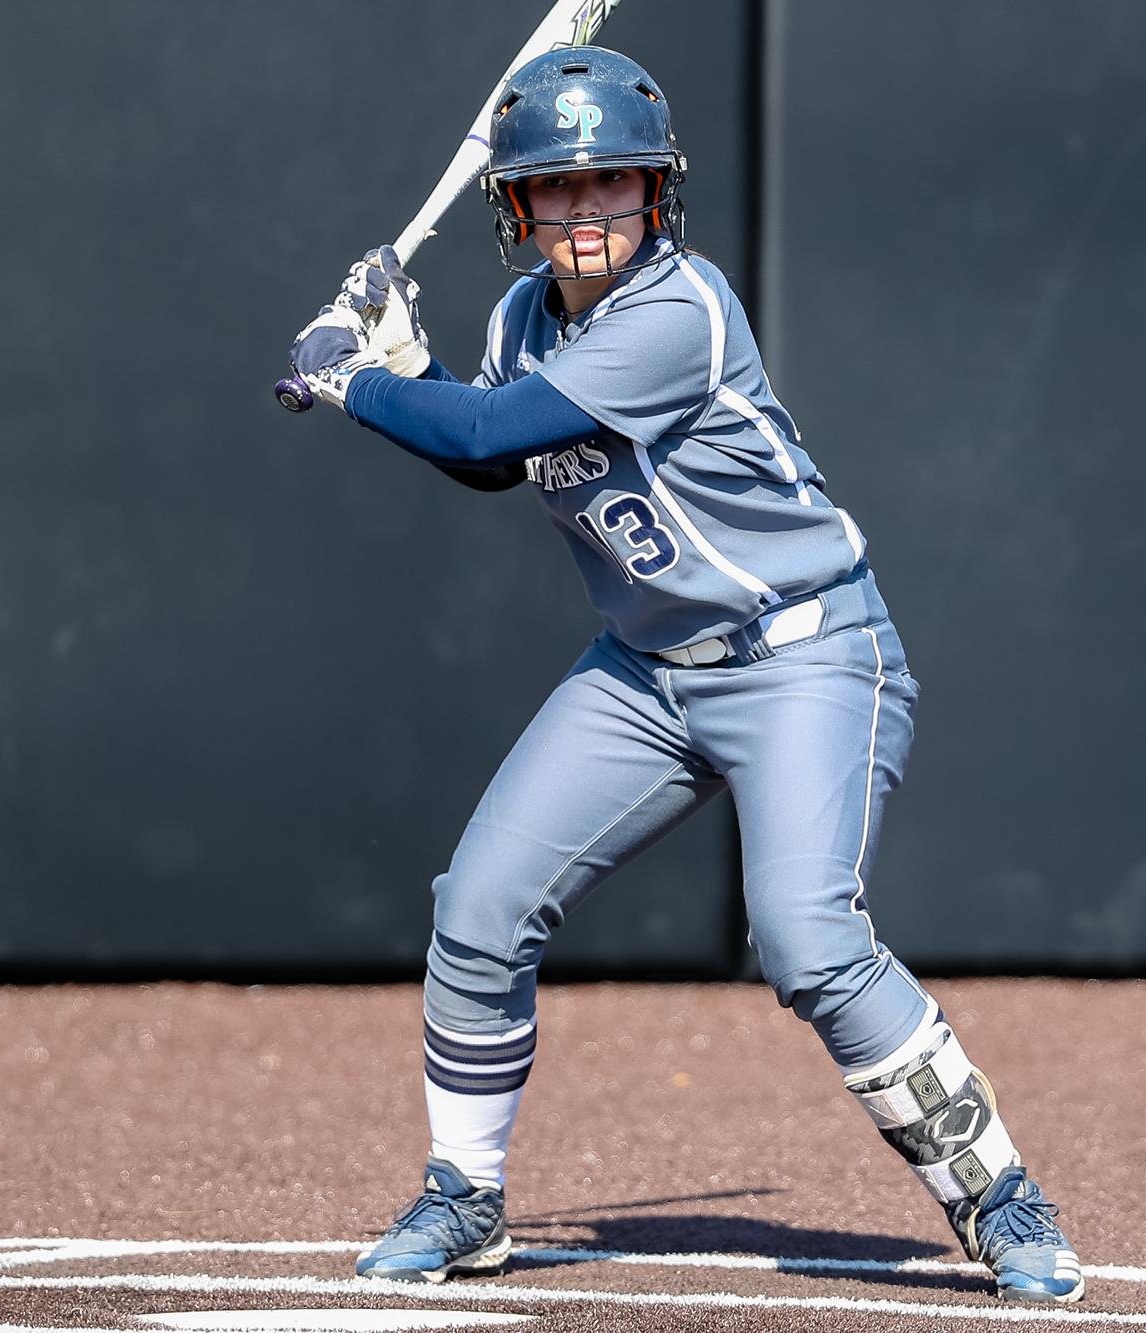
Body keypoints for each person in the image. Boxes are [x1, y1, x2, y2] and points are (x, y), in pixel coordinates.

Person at [285, 45, 1084, 1306]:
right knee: (477, 906)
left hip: (807, 655)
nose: (589, 211)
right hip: (647, 673)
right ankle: (463, 1197)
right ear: (516, 207)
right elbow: (491, 457)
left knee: (807, 939)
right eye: (558, 188)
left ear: (659, 196)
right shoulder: (521, 319)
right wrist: (414, 367)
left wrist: (358, 379)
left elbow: (498, 431)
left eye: (615, 184)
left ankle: (998, 1198)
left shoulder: (676, 310)